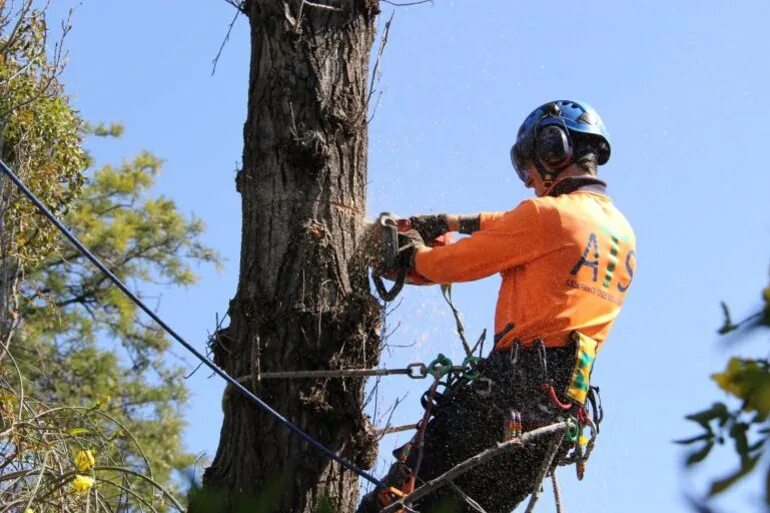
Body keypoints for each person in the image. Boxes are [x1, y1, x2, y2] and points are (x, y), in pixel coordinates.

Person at [358, 100, 636, 513]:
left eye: (529, 166)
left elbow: (453, 263)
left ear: (553, 149)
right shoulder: (620, 233)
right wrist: (449, 222)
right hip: (551, 426)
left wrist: (409, 255)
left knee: (396, 500)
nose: (528, 182)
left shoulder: (549, 216)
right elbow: (512, 221)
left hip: (505, 399)